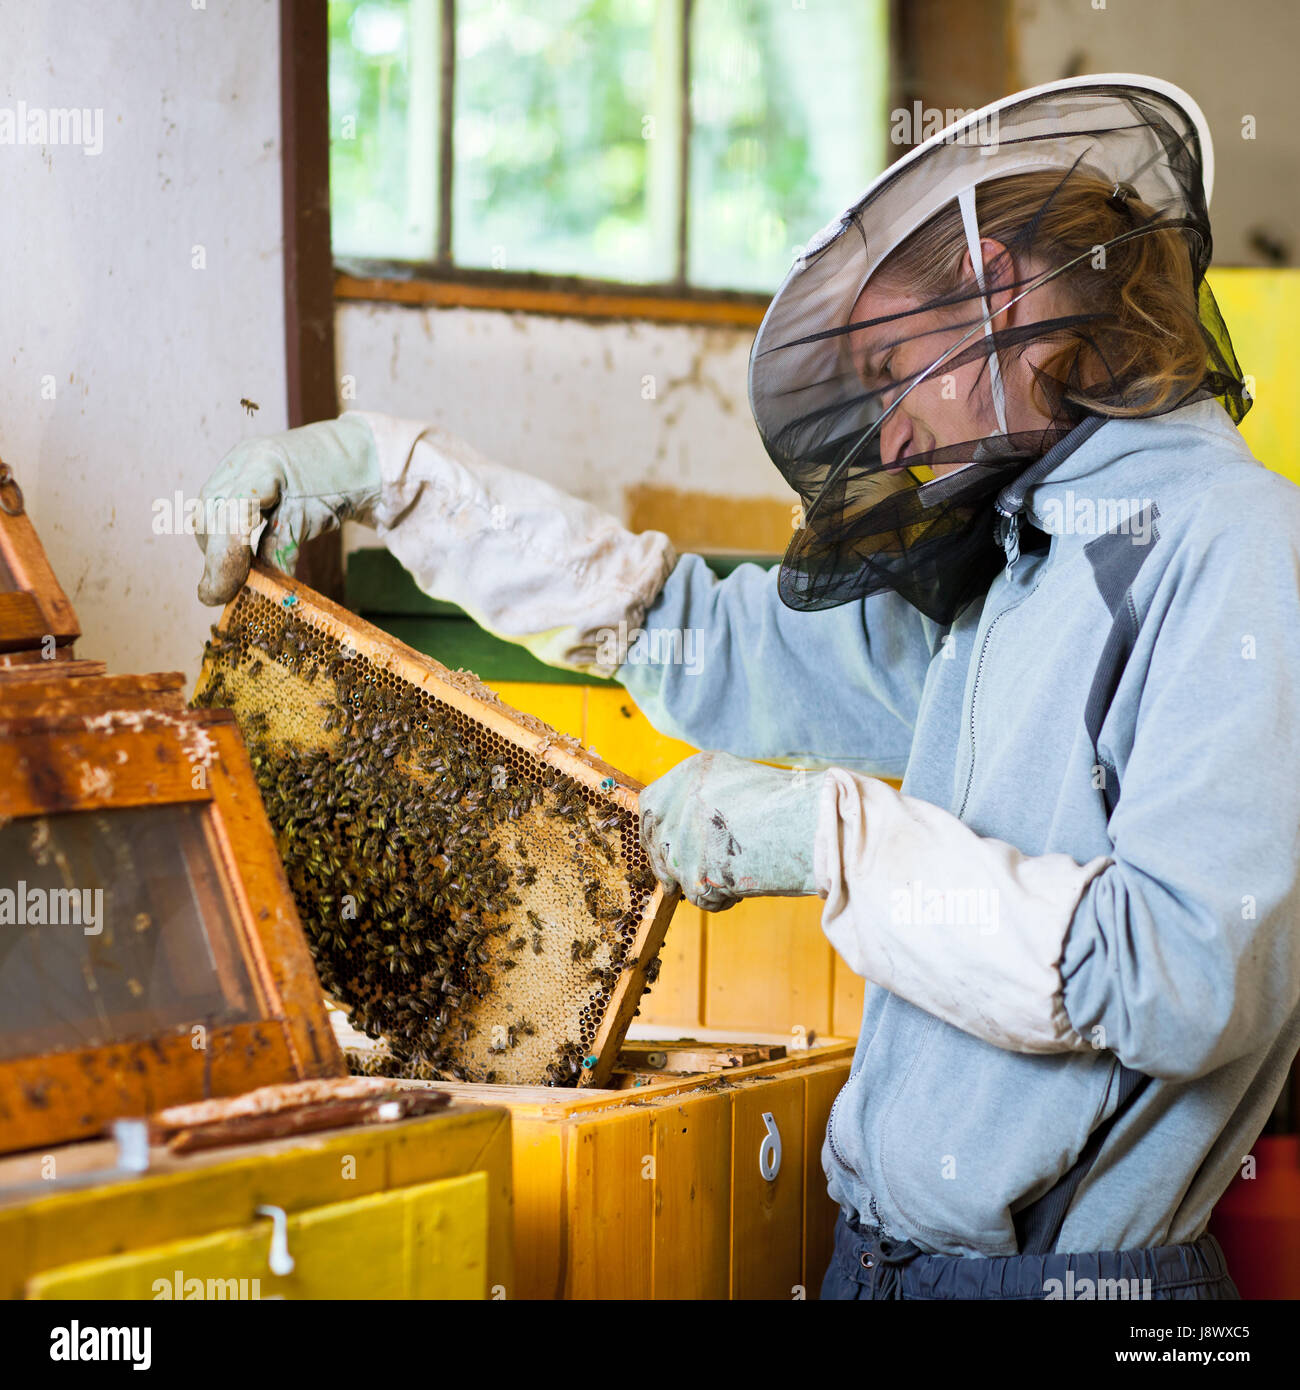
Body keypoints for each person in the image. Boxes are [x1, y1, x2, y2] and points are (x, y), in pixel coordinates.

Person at [195, 75, 1300, 1300]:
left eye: (891, 367)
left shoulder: (1243, 550)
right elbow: (691, 637)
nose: (887, 438)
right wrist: (391, 476)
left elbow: (1185, 978)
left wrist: (837, 836)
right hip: (876, 1261)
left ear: (997, 289)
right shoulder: (1011, 568)